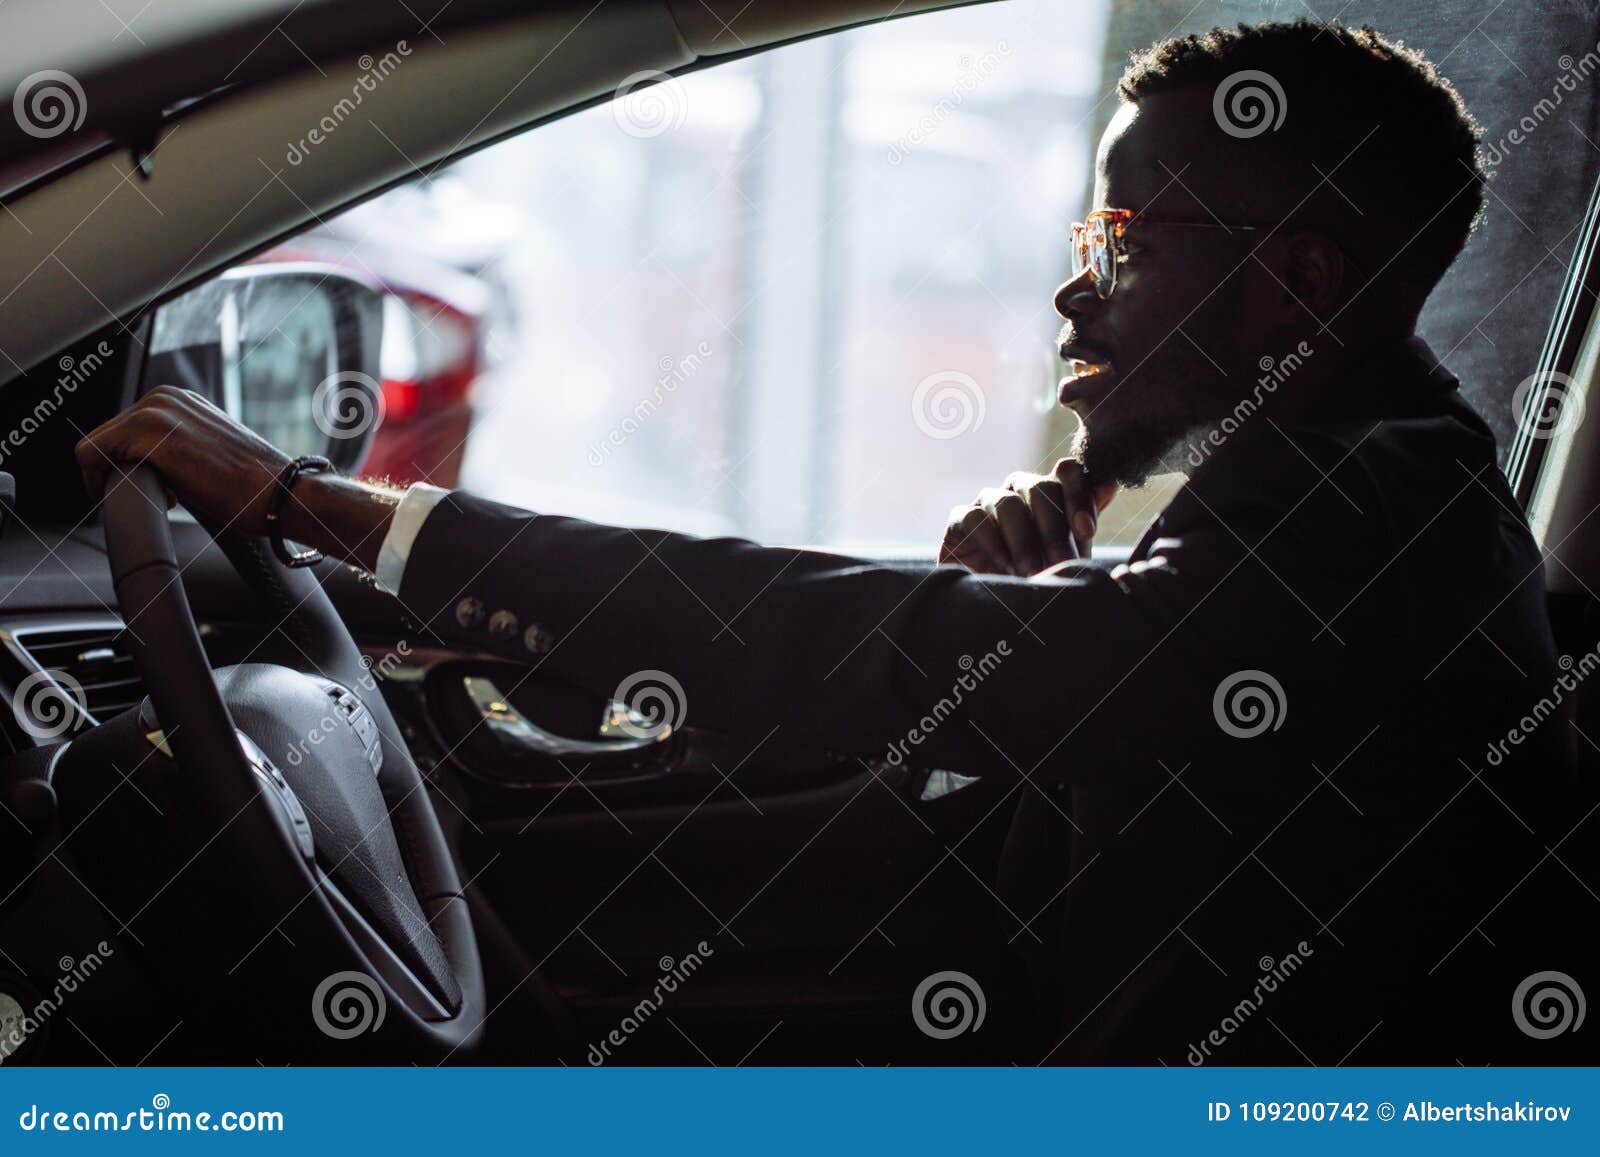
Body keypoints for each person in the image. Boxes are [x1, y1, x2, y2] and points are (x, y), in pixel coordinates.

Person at [78, 21, 1587, 1063]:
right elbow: (994, 783)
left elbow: (899, 654)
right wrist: (1024, 621)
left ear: (1298, 280)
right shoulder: (1342, 499)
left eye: (1120, 245)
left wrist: (352, 515)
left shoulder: (1382, 521)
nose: (1077, 294)